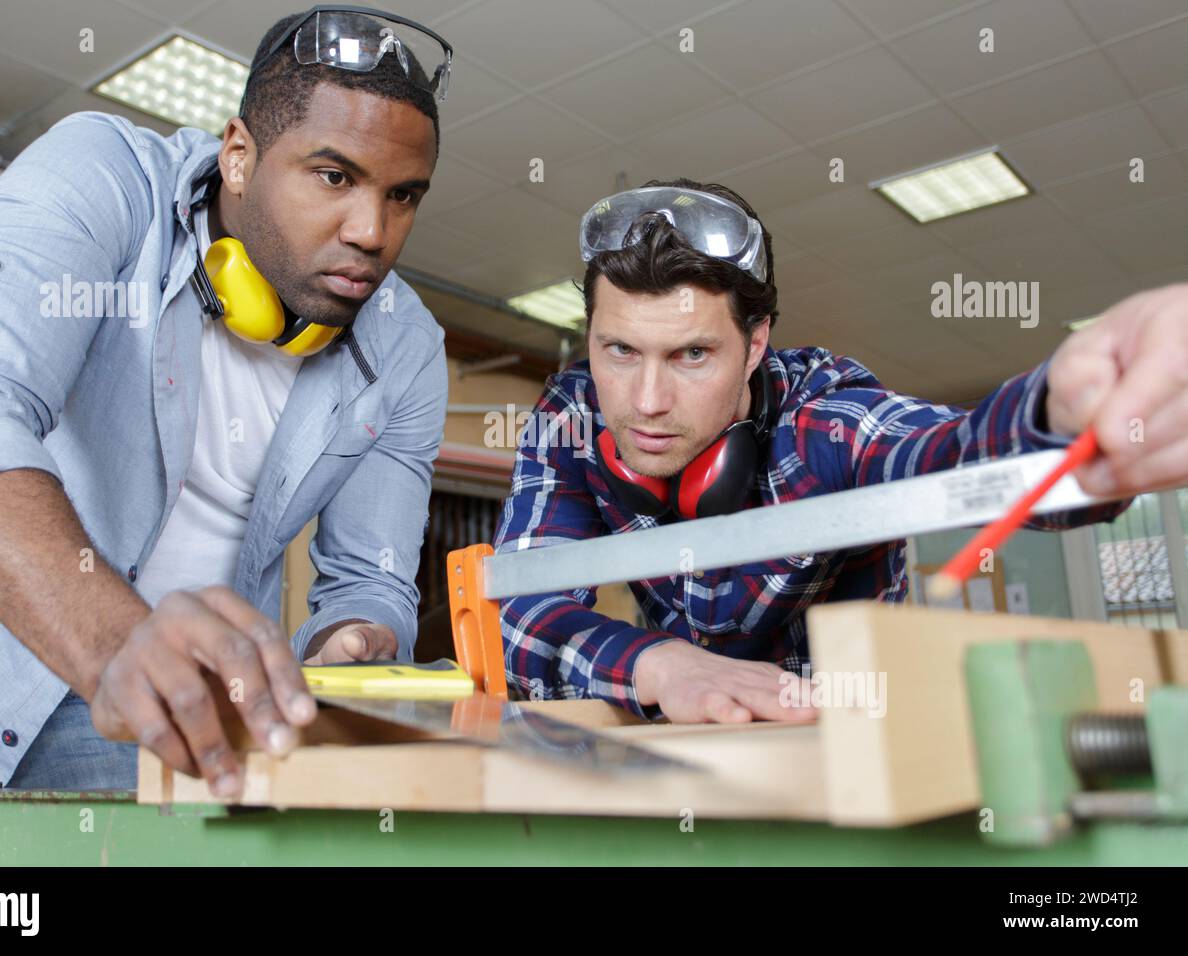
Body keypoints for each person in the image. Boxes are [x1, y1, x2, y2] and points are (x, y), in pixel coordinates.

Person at [0, 6, 453, 867]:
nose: (372, 234)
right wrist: (120, 642)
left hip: (208, 738)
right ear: (238, 154)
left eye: (402, 195)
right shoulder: (106, 179)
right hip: (9, 701)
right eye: (335, 176)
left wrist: (354, 636)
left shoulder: (406, 348)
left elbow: (370, 579)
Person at [494, 177, 1184, 725]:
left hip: (854, 735)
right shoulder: (572, 418)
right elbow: (520, 620)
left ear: (755, 344)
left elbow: (955, 452)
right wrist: (660, 666)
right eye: (619, 350)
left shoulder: (825, 423)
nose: (645, 401)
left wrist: (1059, 417)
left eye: (692, 354)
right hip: (697, 743)